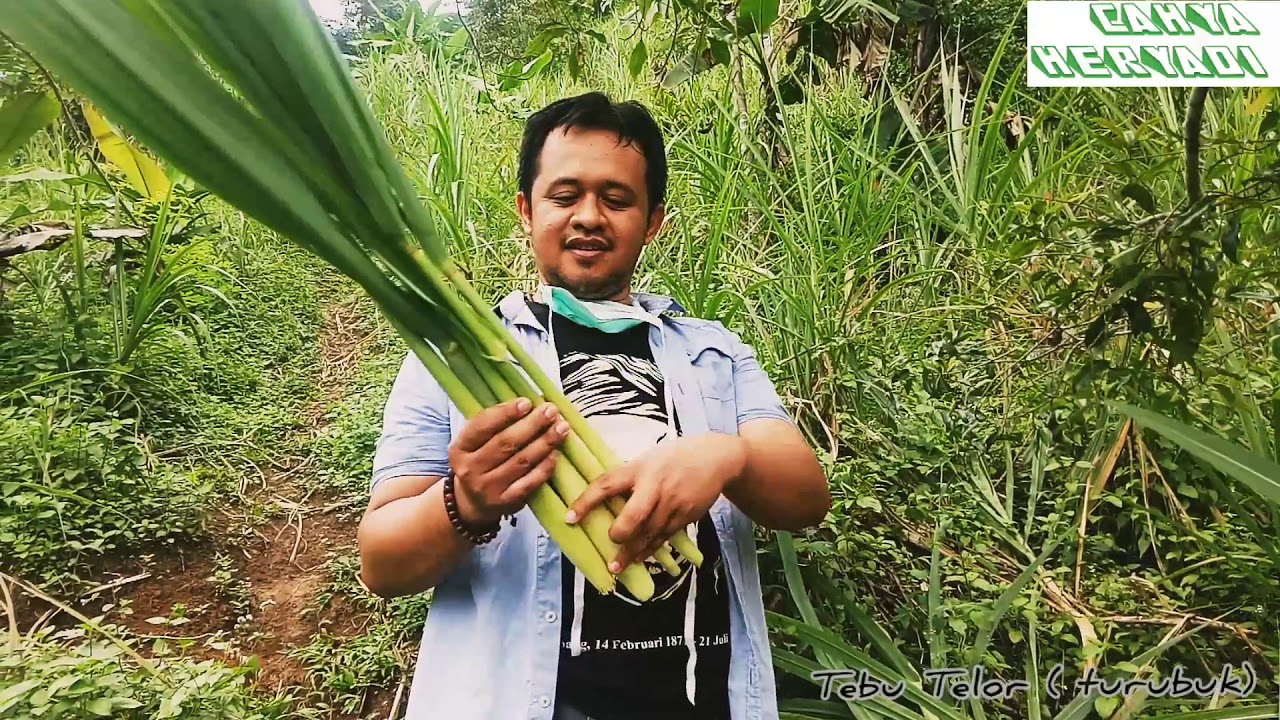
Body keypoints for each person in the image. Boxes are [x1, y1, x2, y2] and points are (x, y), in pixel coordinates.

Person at [357, 91, 830, 720]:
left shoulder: (713, 353)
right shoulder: (458, 362)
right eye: (564, 195)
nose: (588, 216)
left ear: (652, 221)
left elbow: (806, 501)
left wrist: (726, 457)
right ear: (527, 209)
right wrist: (464, 503)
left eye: (616, 199)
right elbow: (382, 562)